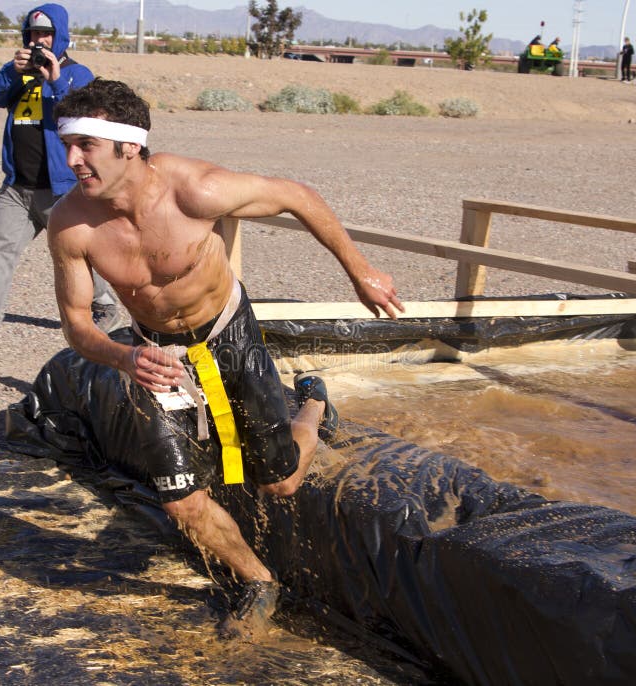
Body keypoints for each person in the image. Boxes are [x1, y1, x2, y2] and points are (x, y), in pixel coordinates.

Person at [48, 79, 404, 639]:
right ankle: (258, 581)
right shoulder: (69, 225)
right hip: (156, 354)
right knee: (182, 501)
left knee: (279, 482)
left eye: (86, 146)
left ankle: (312, 405)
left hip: (227, 333)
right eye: (67, 144)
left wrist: (361, 270)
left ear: (129, 147)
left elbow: (297, 195)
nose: (71, 160)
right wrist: (125, 358)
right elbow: (77, 326)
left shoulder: (198, 191)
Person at [0, 4, 119, 344]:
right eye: (35, 34)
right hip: (17, 185)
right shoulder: (19, 73)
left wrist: (54, 81)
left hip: (60, 187)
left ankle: (105, 305)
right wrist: (11, 70)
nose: (40, 40)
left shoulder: (76, 74)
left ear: (60, 36)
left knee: (76, 251)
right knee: (0, 249)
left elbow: (85, 117)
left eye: (47, 34)